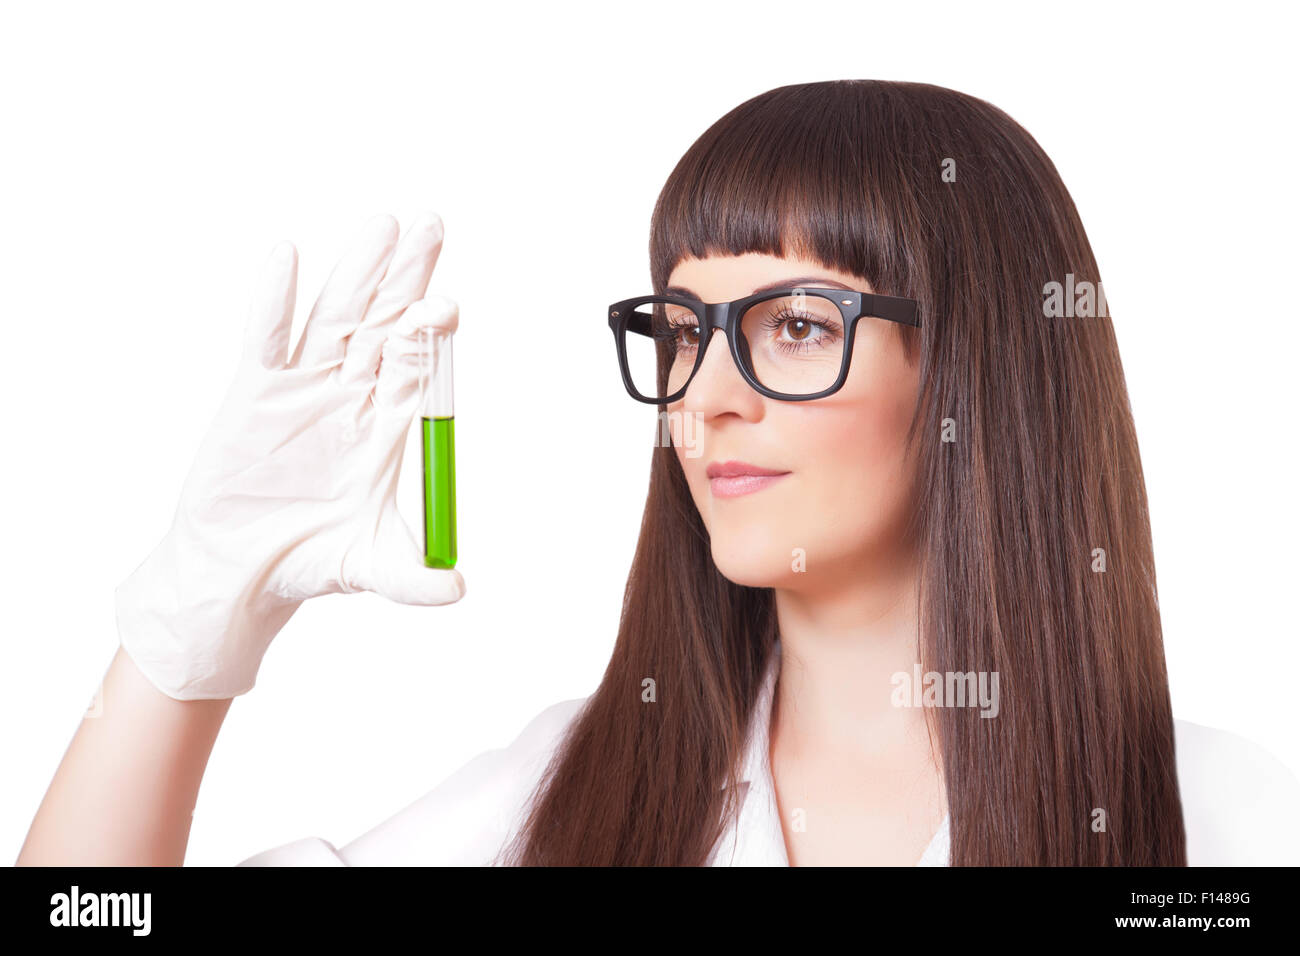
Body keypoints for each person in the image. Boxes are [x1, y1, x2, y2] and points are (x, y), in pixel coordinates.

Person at [17, 79, 1300, 867]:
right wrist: (181, 637)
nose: (709, 395)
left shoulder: (1227, 822)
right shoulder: (572, 793)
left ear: (981, 373)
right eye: (684, 331)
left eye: (796, 325)